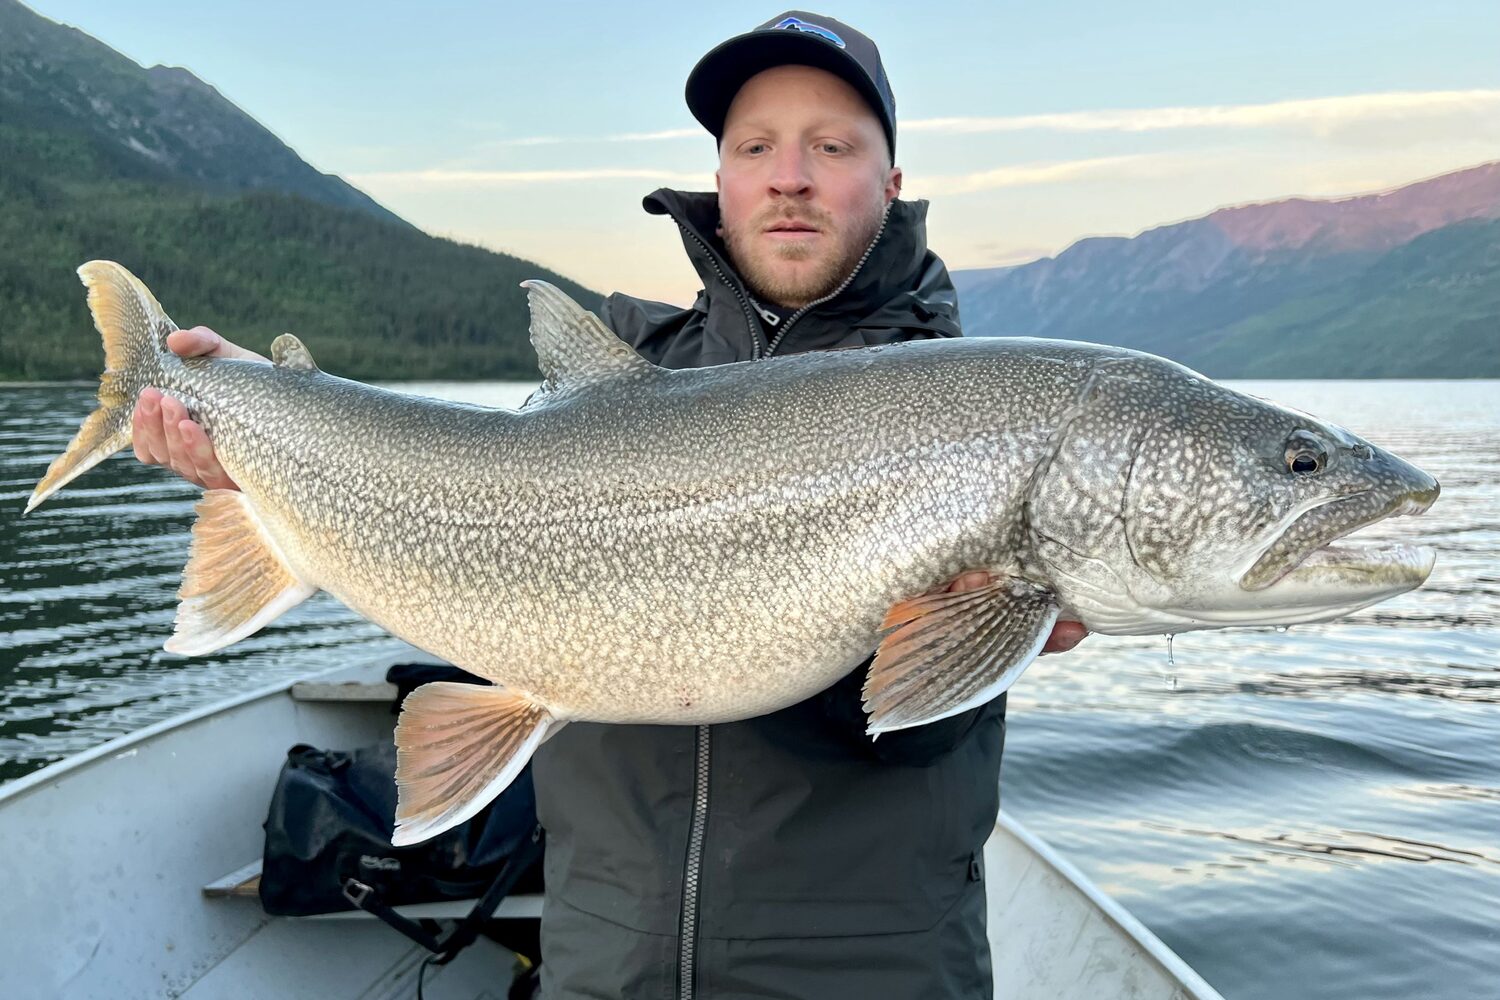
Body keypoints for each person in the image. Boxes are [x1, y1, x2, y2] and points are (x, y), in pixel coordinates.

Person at [131, 12, 1087, 998]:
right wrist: (262, 415)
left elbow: (912, 730)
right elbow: (461, 494)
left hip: (869, 970)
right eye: (755, 146)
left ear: (890, 185)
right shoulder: (624, 371)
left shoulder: (970, 403)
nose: (789, 174)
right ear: (722, 179)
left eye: (831, 145)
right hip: (604, 961)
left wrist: (965, 626)